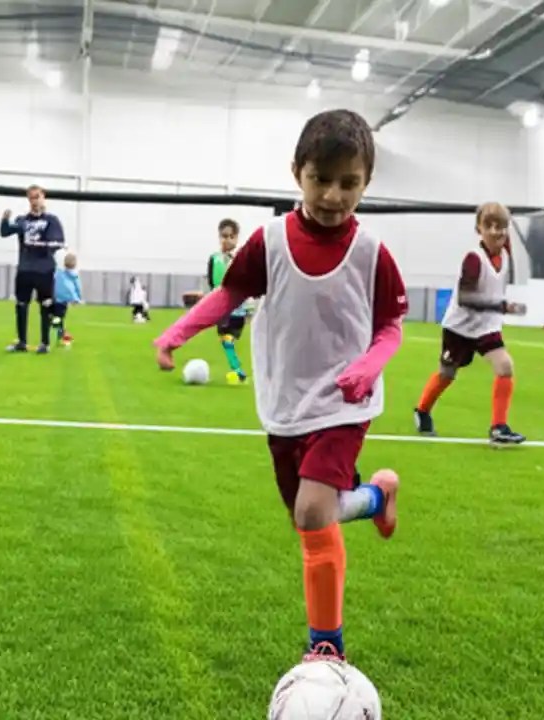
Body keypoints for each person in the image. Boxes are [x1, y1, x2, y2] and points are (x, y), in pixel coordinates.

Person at [153, 109, 404, 664]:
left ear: (367, 182)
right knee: (309, 512)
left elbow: (391, 327)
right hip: (286, 403)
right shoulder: (268, 242)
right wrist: (178, 331)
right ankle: (377, 496)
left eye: (349, 183)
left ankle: (326, 647)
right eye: (321, 179)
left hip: (344, 405)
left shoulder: (372, 253)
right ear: (297, 173)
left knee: (312, 512)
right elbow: (231, 293)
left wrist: (369, 366)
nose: (334, 196)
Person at [412, 202, 527, 445]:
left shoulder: (504, 255)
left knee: (505, 366)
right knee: (447, 373)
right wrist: (501, 306)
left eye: (502, 227)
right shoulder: (473, 259)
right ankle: (422, 410)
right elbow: (466, 298)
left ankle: (499, 427)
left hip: (487, 326)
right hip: (460, 327)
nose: (496, 231)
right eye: (490, 226)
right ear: (479, 229)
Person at [0, 185, 65, 353]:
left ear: (44, 197)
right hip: (25, 269)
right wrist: (5, 220)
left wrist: (41, 244)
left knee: (45, 305)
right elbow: (5, 232)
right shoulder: (23, 221)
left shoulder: (52, 220)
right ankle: (22, 342)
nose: (35, 201)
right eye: (31, 198)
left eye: (37, 197)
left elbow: (59, 242)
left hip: (44, 270)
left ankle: (45, 343)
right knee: (21, 305)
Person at [207, 218, 249, 384]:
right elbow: (212, 281)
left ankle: (238, 370)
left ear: (236, 238)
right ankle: (237, 370)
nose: (227, 240)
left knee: (228, 338)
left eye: (231, 236)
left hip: (237, 307)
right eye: (224, 236)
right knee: (225, 340)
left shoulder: (241, 257)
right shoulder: (214, 258)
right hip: (221, 307)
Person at [51, 251, 83, 348]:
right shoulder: (74, 275)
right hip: (63, 301)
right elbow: (78, 288)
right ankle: (61, 335)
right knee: (58, 319)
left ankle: (63, 336)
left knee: (56, 320)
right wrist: (77, 298)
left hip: (56, 299)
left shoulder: (59, 272)